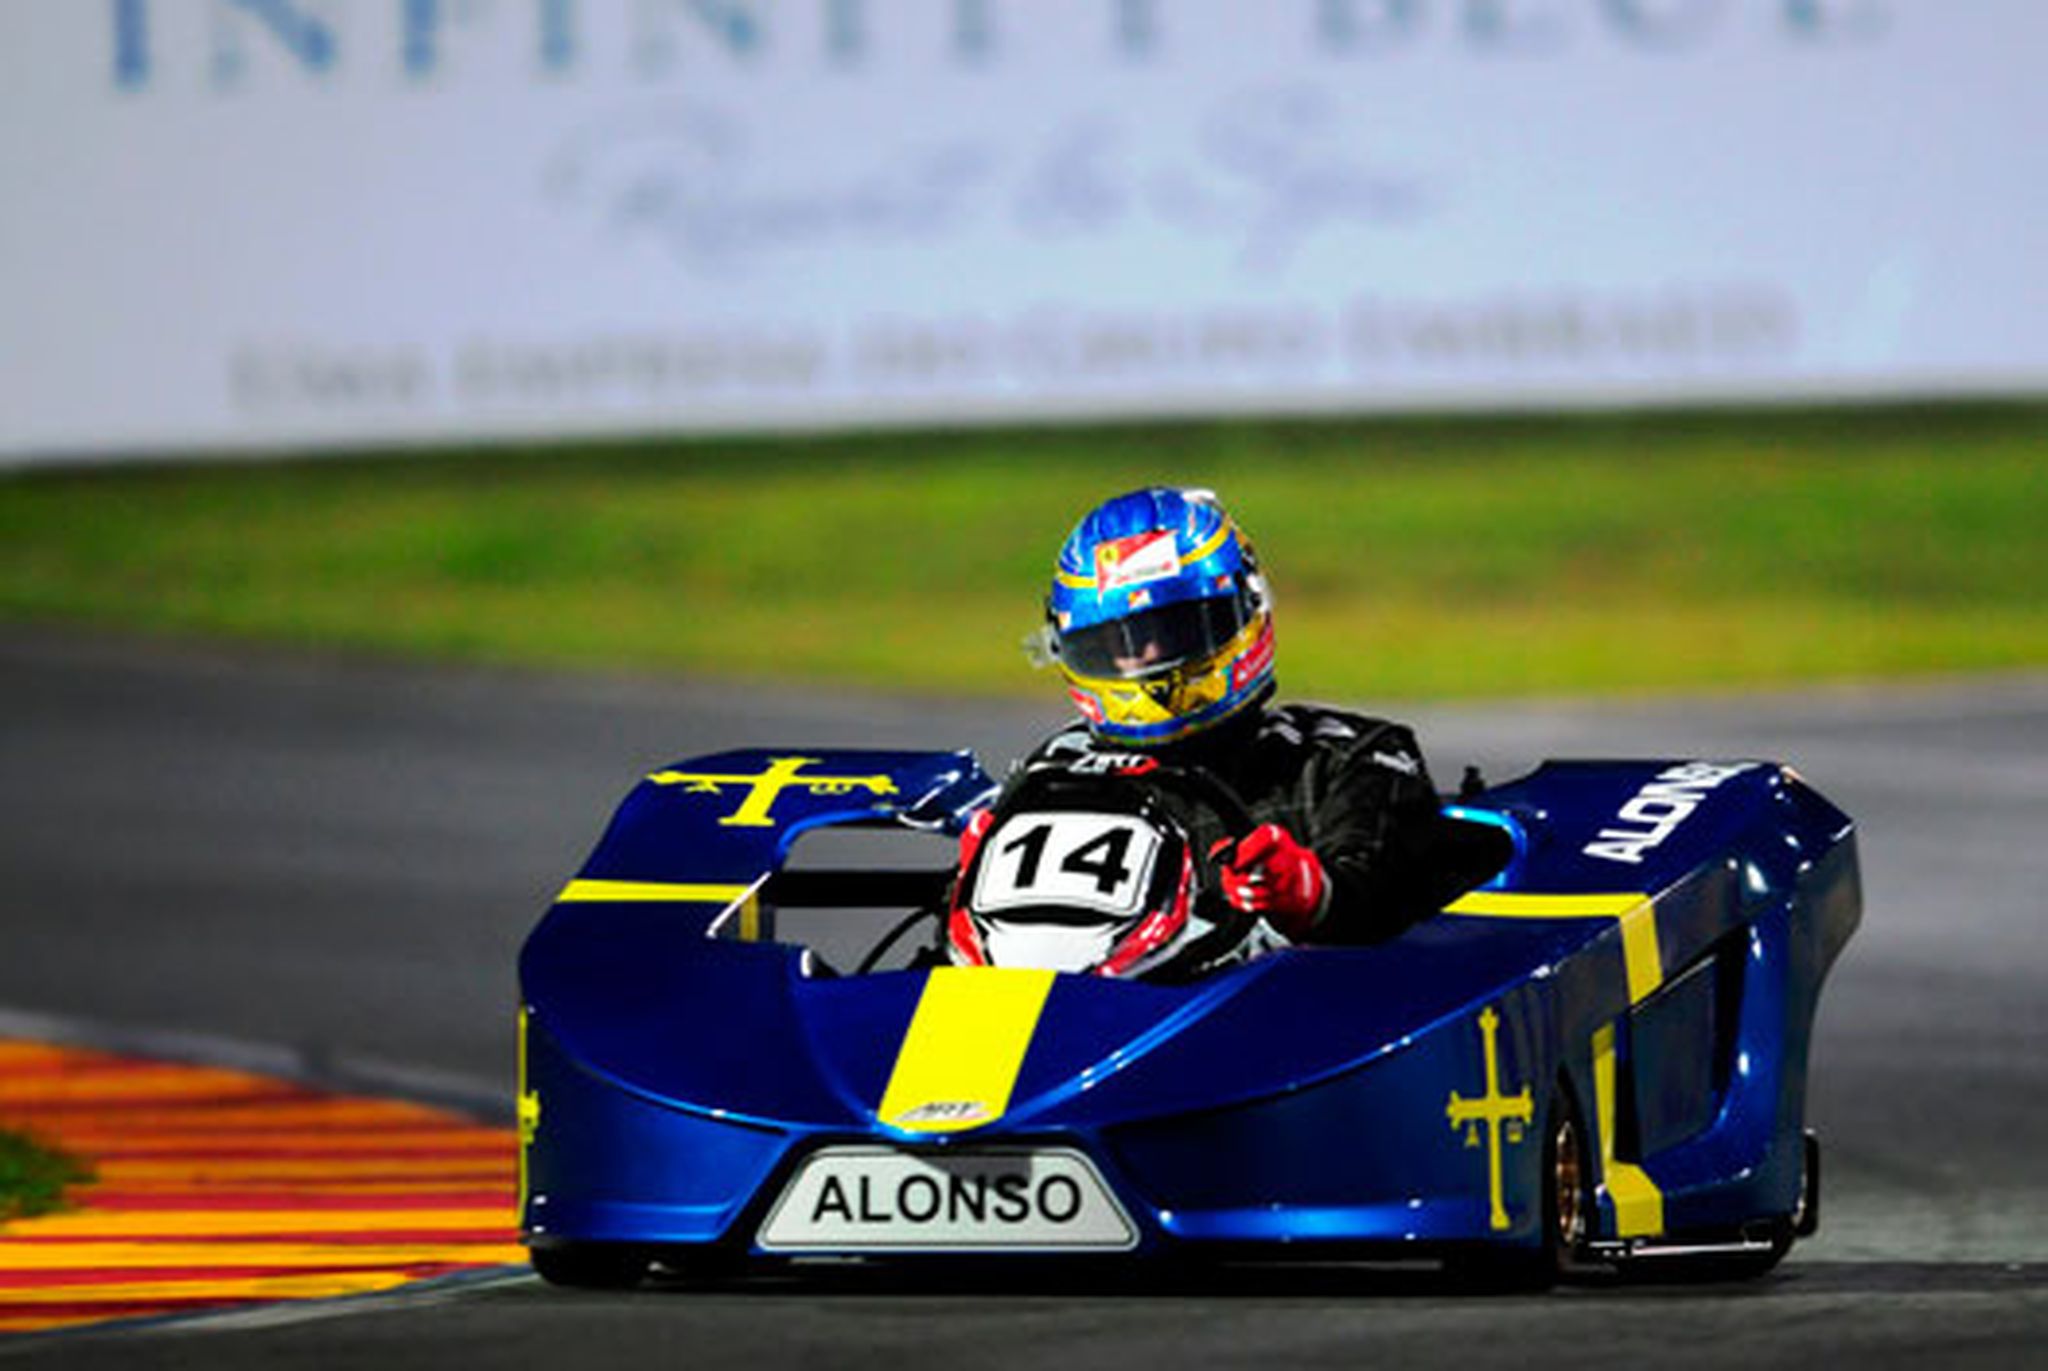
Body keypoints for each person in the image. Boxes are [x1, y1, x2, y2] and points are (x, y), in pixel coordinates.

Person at [1019, 485, 1465, 950]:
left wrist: (1309, 893)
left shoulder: (1344, 758)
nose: (1150, 660)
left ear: (1247, 609)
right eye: (1120, 645)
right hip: (1097, 1010)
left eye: (1177, 629)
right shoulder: (1055, 777)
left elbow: (1390, 893)